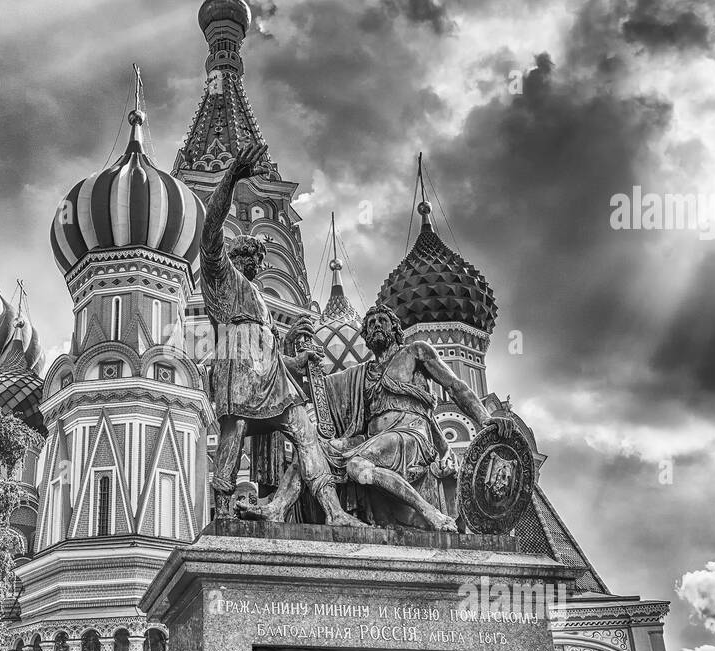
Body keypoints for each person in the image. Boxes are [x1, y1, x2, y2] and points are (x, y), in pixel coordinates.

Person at [198, 142, 363, 527]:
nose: (255, 263)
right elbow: (209, 229)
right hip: (236, 365)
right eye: (249, 256)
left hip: (272, 376)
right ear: (235, 257)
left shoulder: (259, 299)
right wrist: (232, 177)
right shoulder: (221, 277)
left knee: (306, 433)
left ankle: (334, 512)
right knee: (233, 433)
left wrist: (296, 361)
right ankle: (222, 509)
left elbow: (268, 351)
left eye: (258, 258)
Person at [246, 303, 513, 530]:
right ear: (364, 334)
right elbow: (313, 389)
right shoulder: (361, 373)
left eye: (382, 321)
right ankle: (277, 508)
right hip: (373, 438)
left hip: (411, 435)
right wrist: (290, 349)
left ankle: (431, 513)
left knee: (358, 464)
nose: (375, 325)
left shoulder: (414, 352)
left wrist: (485, 419)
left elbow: (456, 386)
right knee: (312, 451)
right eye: (370, 322)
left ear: (395, 329)